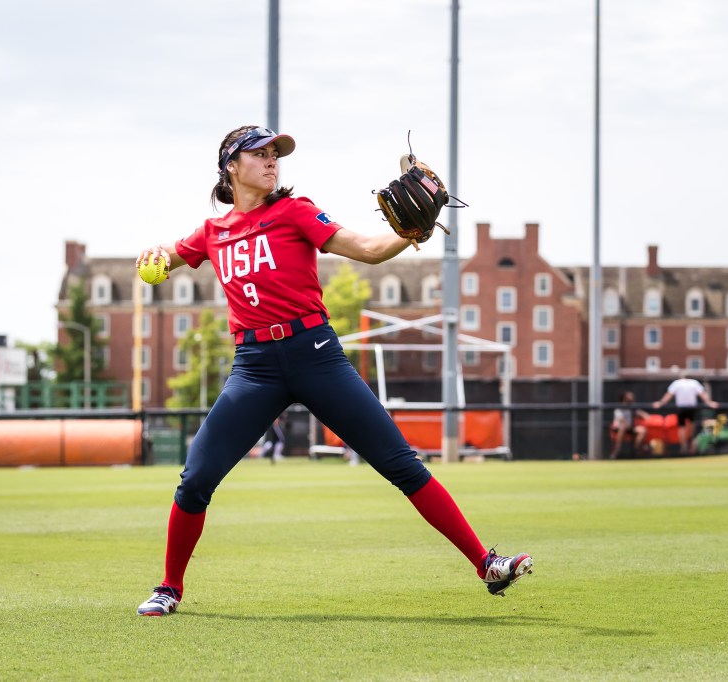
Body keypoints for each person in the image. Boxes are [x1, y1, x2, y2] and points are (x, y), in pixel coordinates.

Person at [134, 125, 532, 616]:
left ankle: (486, 564)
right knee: (195, 478)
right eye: (258, 154)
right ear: (230, 167)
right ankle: (169, 587)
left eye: (274, 153)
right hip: (254, 367)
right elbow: (169, 257)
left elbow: (365, 248)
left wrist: (410, 232)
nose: (272, 160)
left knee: (401, 464)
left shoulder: (295, 211)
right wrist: (153, 256)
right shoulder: (212, 233)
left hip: (315, 353)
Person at [652, 374, 719, 455]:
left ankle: (689, 446)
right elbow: (669, 394)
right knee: (683, 427)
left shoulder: (689, 383)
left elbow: (669, 394)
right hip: (683, 408)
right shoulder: (683, 383)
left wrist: (660, 403)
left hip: (689, 408)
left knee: (686, 427)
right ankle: (685, 447)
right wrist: (709, 402)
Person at [609, 390, 649, 459]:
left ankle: (636, 450)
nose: (632, 397)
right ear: (625, 397)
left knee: (642, 430)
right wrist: (626, 424)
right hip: (618, 428)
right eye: (629, 396)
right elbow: (621, 420)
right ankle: (617, 451)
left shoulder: (632, 408)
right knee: (623, 427)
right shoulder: (619, 408)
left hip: (630, 428)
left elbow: (644, 415)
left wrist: (644, 415)